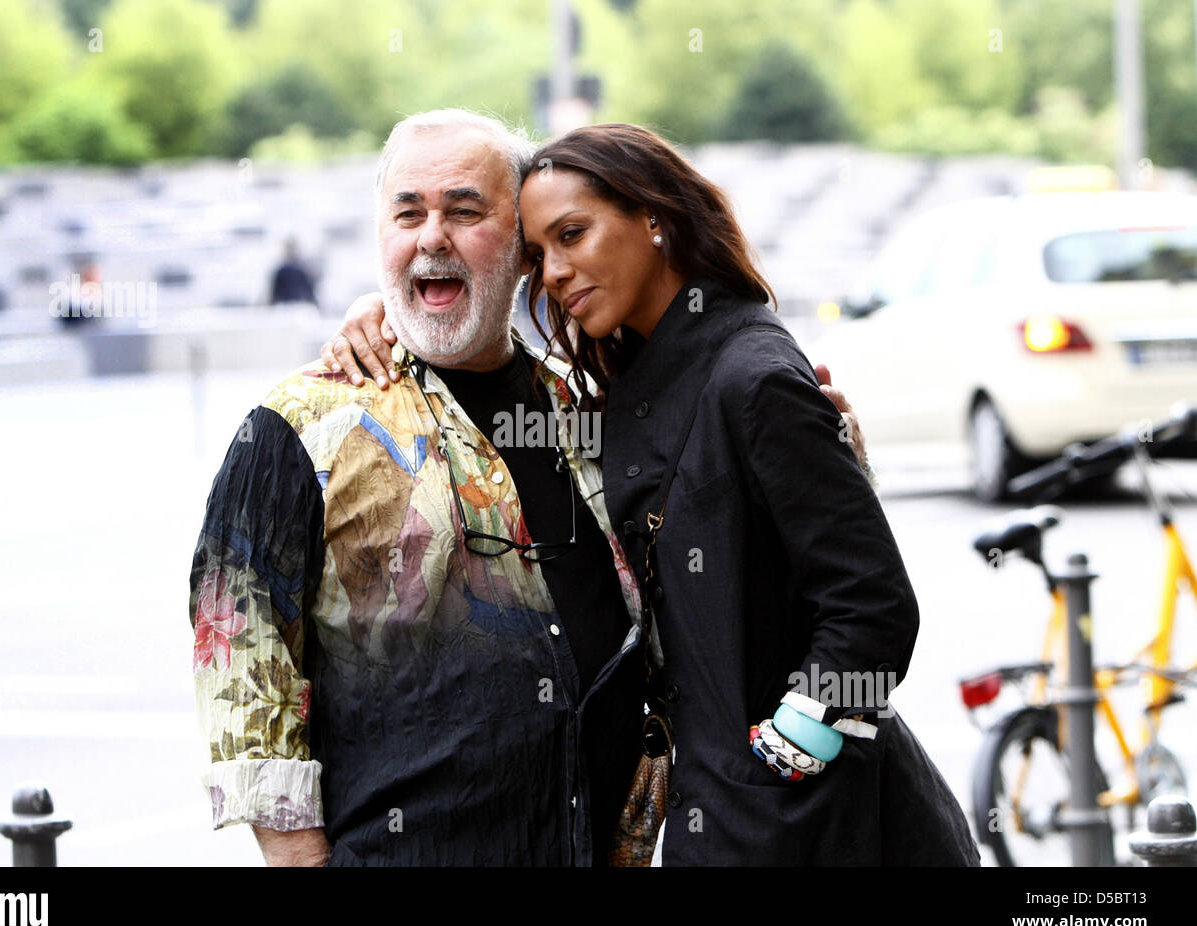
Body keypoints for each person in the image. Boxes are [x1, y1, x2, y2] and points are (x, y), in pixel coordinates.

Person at [330, 121, 976, 865]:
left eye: (574, 234)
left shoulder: (754, 372)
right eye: (538, 254)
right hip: (717, 816)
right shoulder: (626, 380)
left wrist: (792, 744)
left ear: (655, 218)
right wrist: (384, 317)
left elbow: (874, 606)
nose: (555, 273)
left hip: (824, 825)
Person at [191, 110, 647, 866]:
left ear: (525, 249)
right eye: (408, 213)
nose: (432, 237)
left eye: (464, 212)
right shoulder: (298, 426)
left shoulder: (589, 411)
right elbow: (243, 675)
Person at [269, 238, 320, 308]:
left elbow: (309, 289)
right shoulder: (282, 270)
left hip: (298, 305)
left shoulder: (301, 268)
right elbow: (275, 291)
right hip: (286, 305)